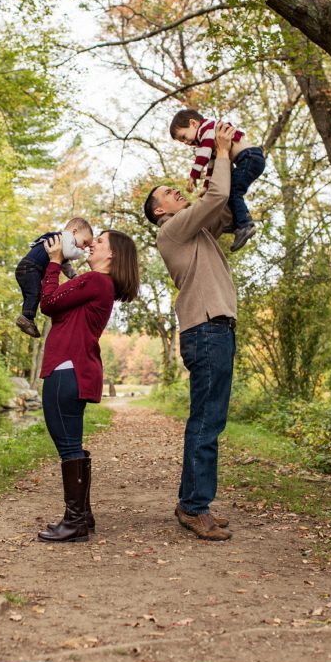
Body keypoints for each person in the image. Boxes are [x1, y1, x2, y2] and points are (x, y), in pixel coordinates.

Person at [143, 121, 237, 541]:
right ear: (160, 211)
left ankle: (193, 501)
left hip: (216, 329)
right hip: (206, 331)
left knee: (210, 421)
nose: (174, 192)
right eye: (166, 193)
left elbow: (226, 207)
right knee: (205, 422)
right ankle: (193, 507)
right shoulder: (172, 230)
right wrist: (217, 150)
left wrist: (233, 158)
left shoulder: (197, 230)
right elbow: (215, 194)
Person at [36, 229, 139, 543]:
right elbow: (65, 301)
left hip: (66, 368)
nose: (92, 243)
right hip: (75, 370)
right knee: (72, 445)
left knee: (68, 447)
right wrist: (65, 269)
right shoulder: (97, 283)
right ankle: (82, 515)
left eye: (101, 241)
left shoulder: (95, 281)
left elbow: (49, 302)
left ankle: (75, 521)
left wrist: (54, 263)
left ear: (112, 255)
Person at [170, 109, 265, 253]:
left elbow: (204, 154)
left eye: (183, 136)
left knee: (233, 192)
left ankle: (244, 225)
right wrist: (207, 185)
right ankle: (234, 222)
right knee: (226, 188)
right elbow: (212, 163)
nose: (185, 142)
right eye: (181, 141)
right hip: (248, 159)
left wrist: (194, 175)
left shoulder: (206, 128)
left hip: (249, 158)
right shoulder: (209, 136)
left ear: (193, 123)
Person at [15, 217, 94, 338]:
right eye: (84, 243)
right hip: (29, 268)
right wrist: (81, 253)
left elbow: (65, 264)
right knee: (34, 293)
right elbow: (69, 254)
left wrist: (74, 276)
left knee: (34, 294)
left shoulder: (62, 246)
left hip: (30, 270)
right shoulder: (65, 237)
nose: (83, 248)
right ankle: (26, 319)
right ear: (74, 232)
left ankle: (27, 318)